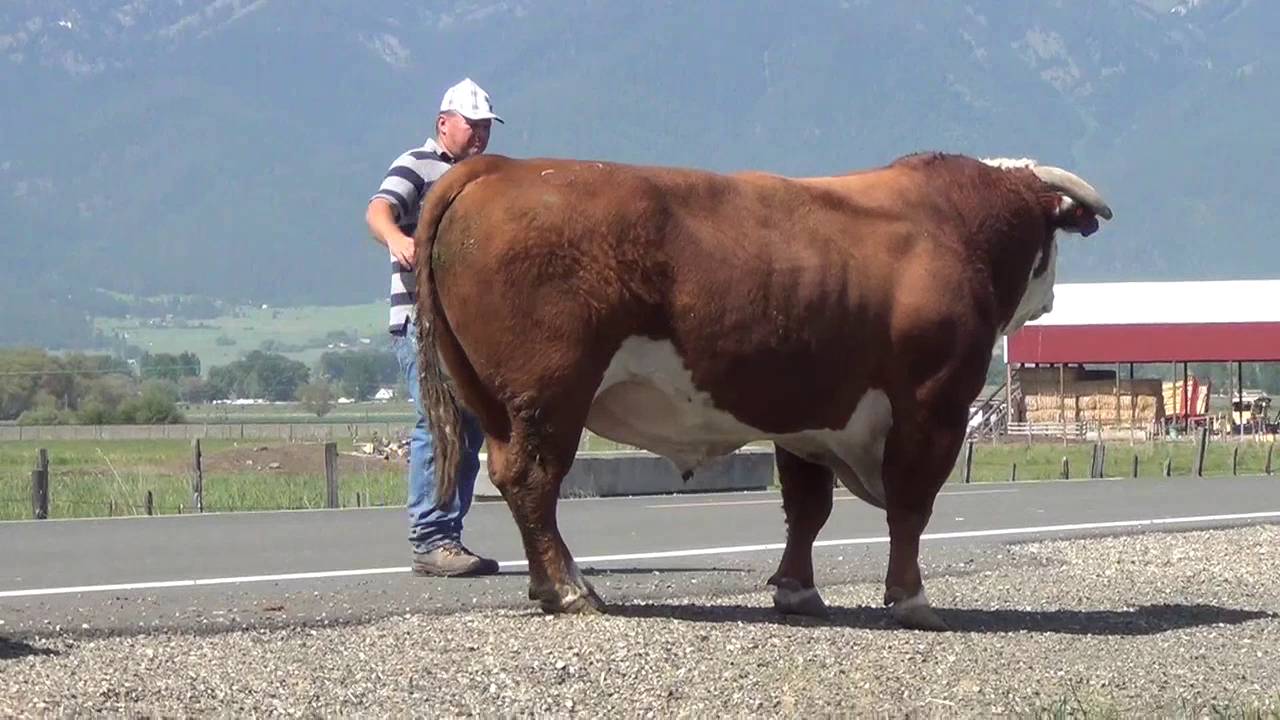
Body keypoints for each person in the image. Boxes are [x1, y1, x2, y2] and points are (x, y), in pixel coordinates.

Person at [364, 78, 503, 577]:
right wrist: (397, 239)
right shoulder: (418, 164)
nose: (481, 135)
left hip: (463, 326)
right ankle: (430, 535)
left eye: (486, 127)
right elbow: (379, 208)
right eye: (473, 125)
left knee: (467, 427)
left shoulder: (479, 178)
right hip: (419, 321)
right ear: (445, 123)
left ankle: (449, 535)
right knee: (438, 422)